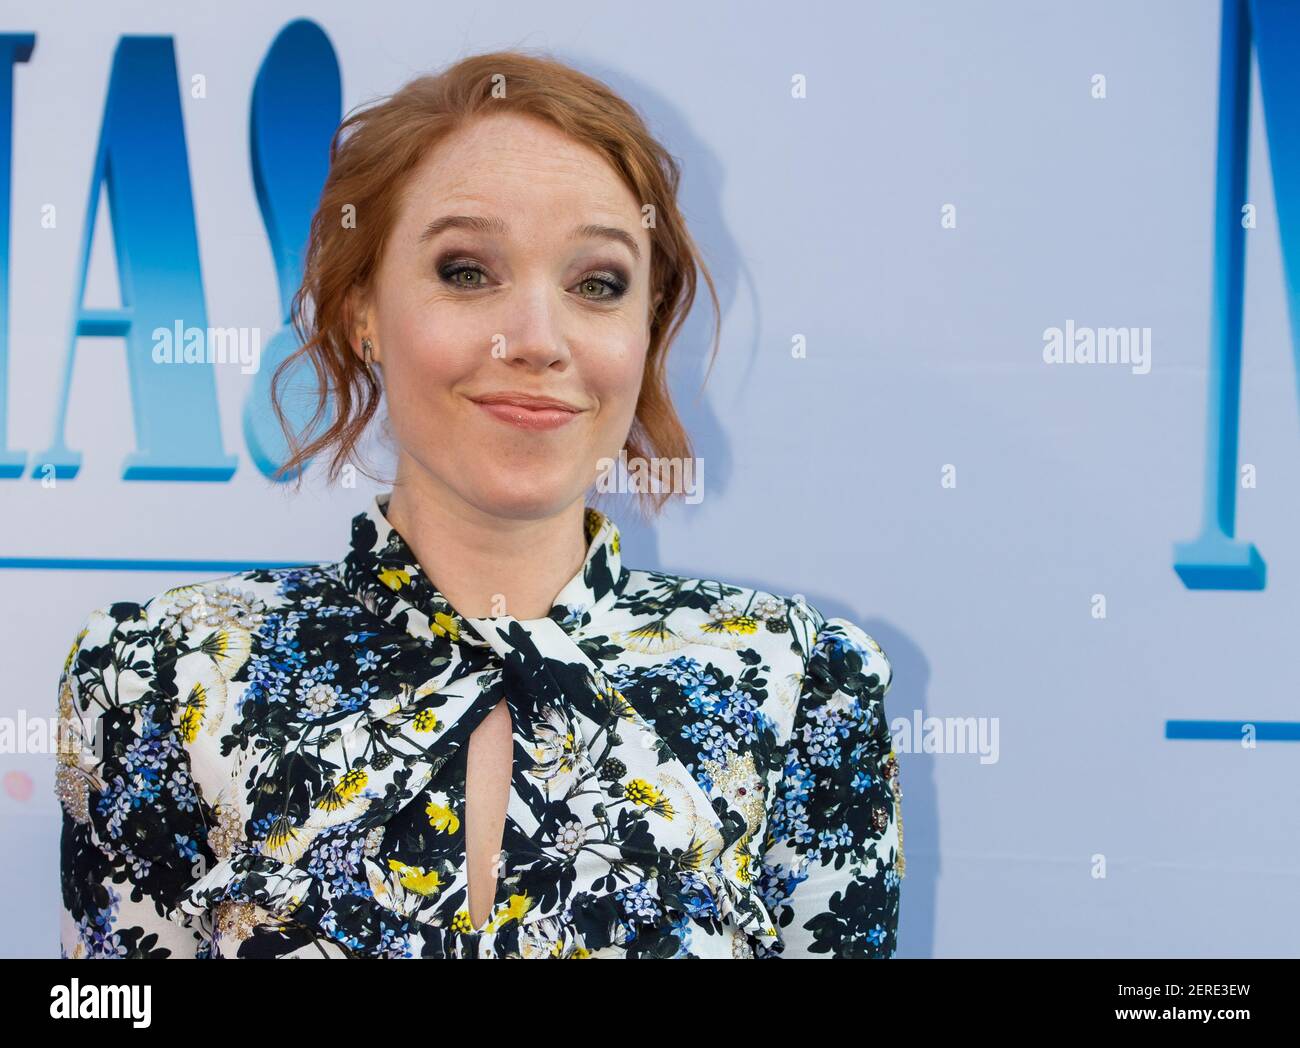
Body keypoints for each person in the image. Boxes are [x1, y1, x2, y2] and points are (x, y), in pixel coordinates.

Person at [55, 49, 901, 959]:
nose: (536, 338)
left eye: (597, 284)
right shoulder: (156, 677)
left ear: (647, 328)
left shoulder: (799, 682)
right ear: (359, 311)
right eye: (467, 271)